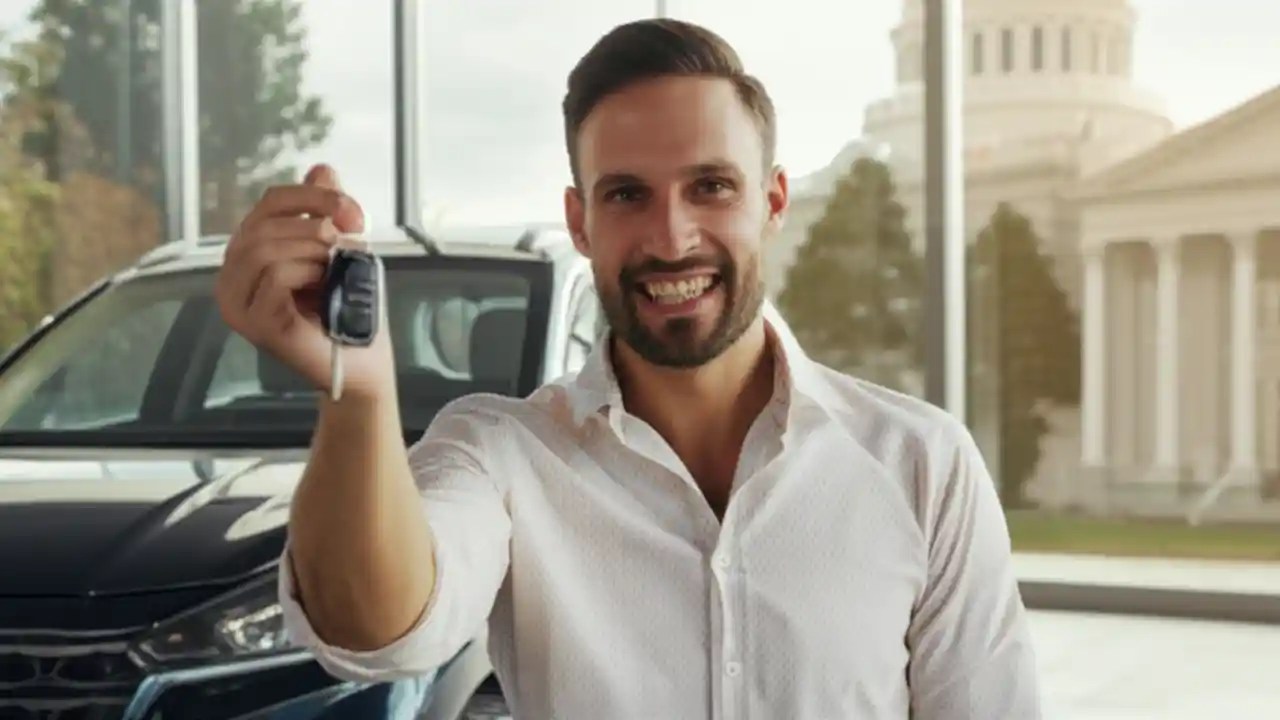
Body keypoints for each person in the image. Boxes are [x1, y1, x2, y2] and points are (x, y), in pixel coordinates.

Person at [215, 17, 1042, 720]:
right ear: (579, 220)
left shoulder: (921, 464)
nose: (671, 237)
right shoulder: (501, 452)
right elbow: (379, 630)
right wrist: (357, 393)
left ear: (773, 201)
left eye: (711, 186)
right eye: (626, 196)